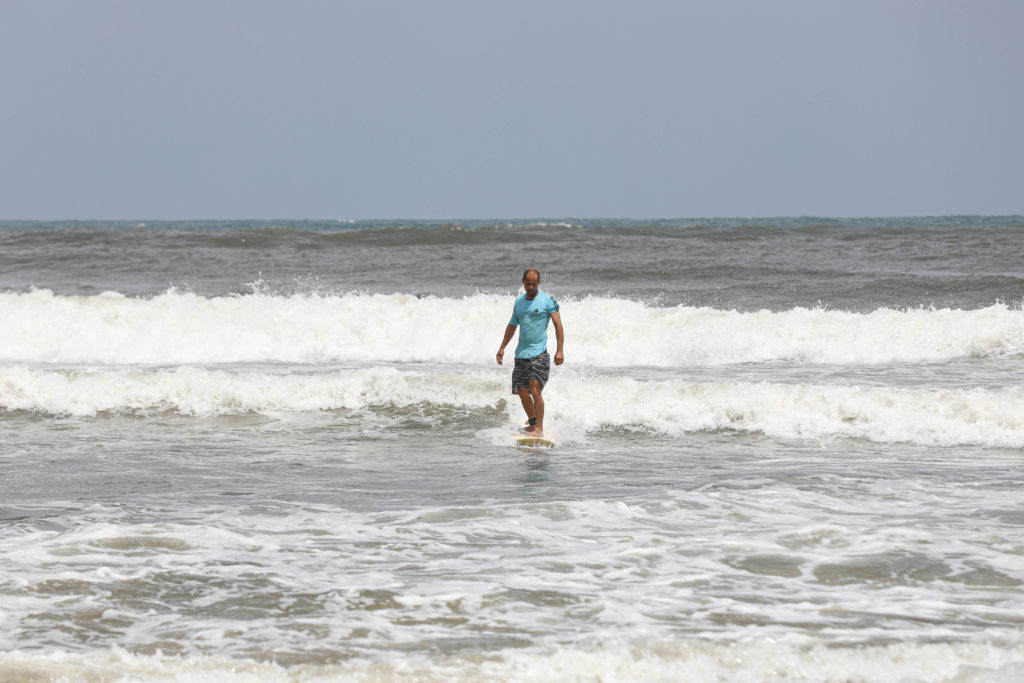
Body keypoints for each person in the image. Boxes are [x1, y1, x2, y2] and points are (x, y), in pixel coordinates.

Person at [496, 268, 564, 437]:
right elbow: (512, 325)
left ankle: (539, 429)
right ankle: (533, 423)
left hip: (539, 354)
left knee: (535, 389)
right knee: (521, 390)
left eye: (534, 284)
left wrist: (560, 351)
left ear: (538, 283)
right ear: (523, 282)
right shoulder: (519, 301)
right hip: (521, 355)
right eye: (528, 284)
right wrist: (502, 347)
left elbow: (558, 326)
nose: (531, 287)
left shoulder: (547, 300)